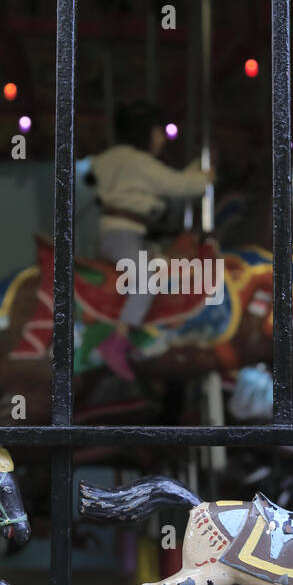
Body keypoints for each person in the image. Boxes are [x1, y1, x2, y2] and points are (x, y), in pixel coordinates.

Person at [89, 101, 214, 380]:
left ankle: (146, 334)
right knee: (146, 277)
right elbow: (177, 185)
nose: (162, 139)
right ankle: (118, 340)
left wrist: (196, 170)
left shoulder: (110, 158)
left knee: (165, 267)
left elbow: (170, 180)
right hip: (123, 234)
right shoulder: (137, 162)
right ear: (145, 131)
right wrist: (205, 178)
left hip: (119, 233)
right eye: (158, 132)